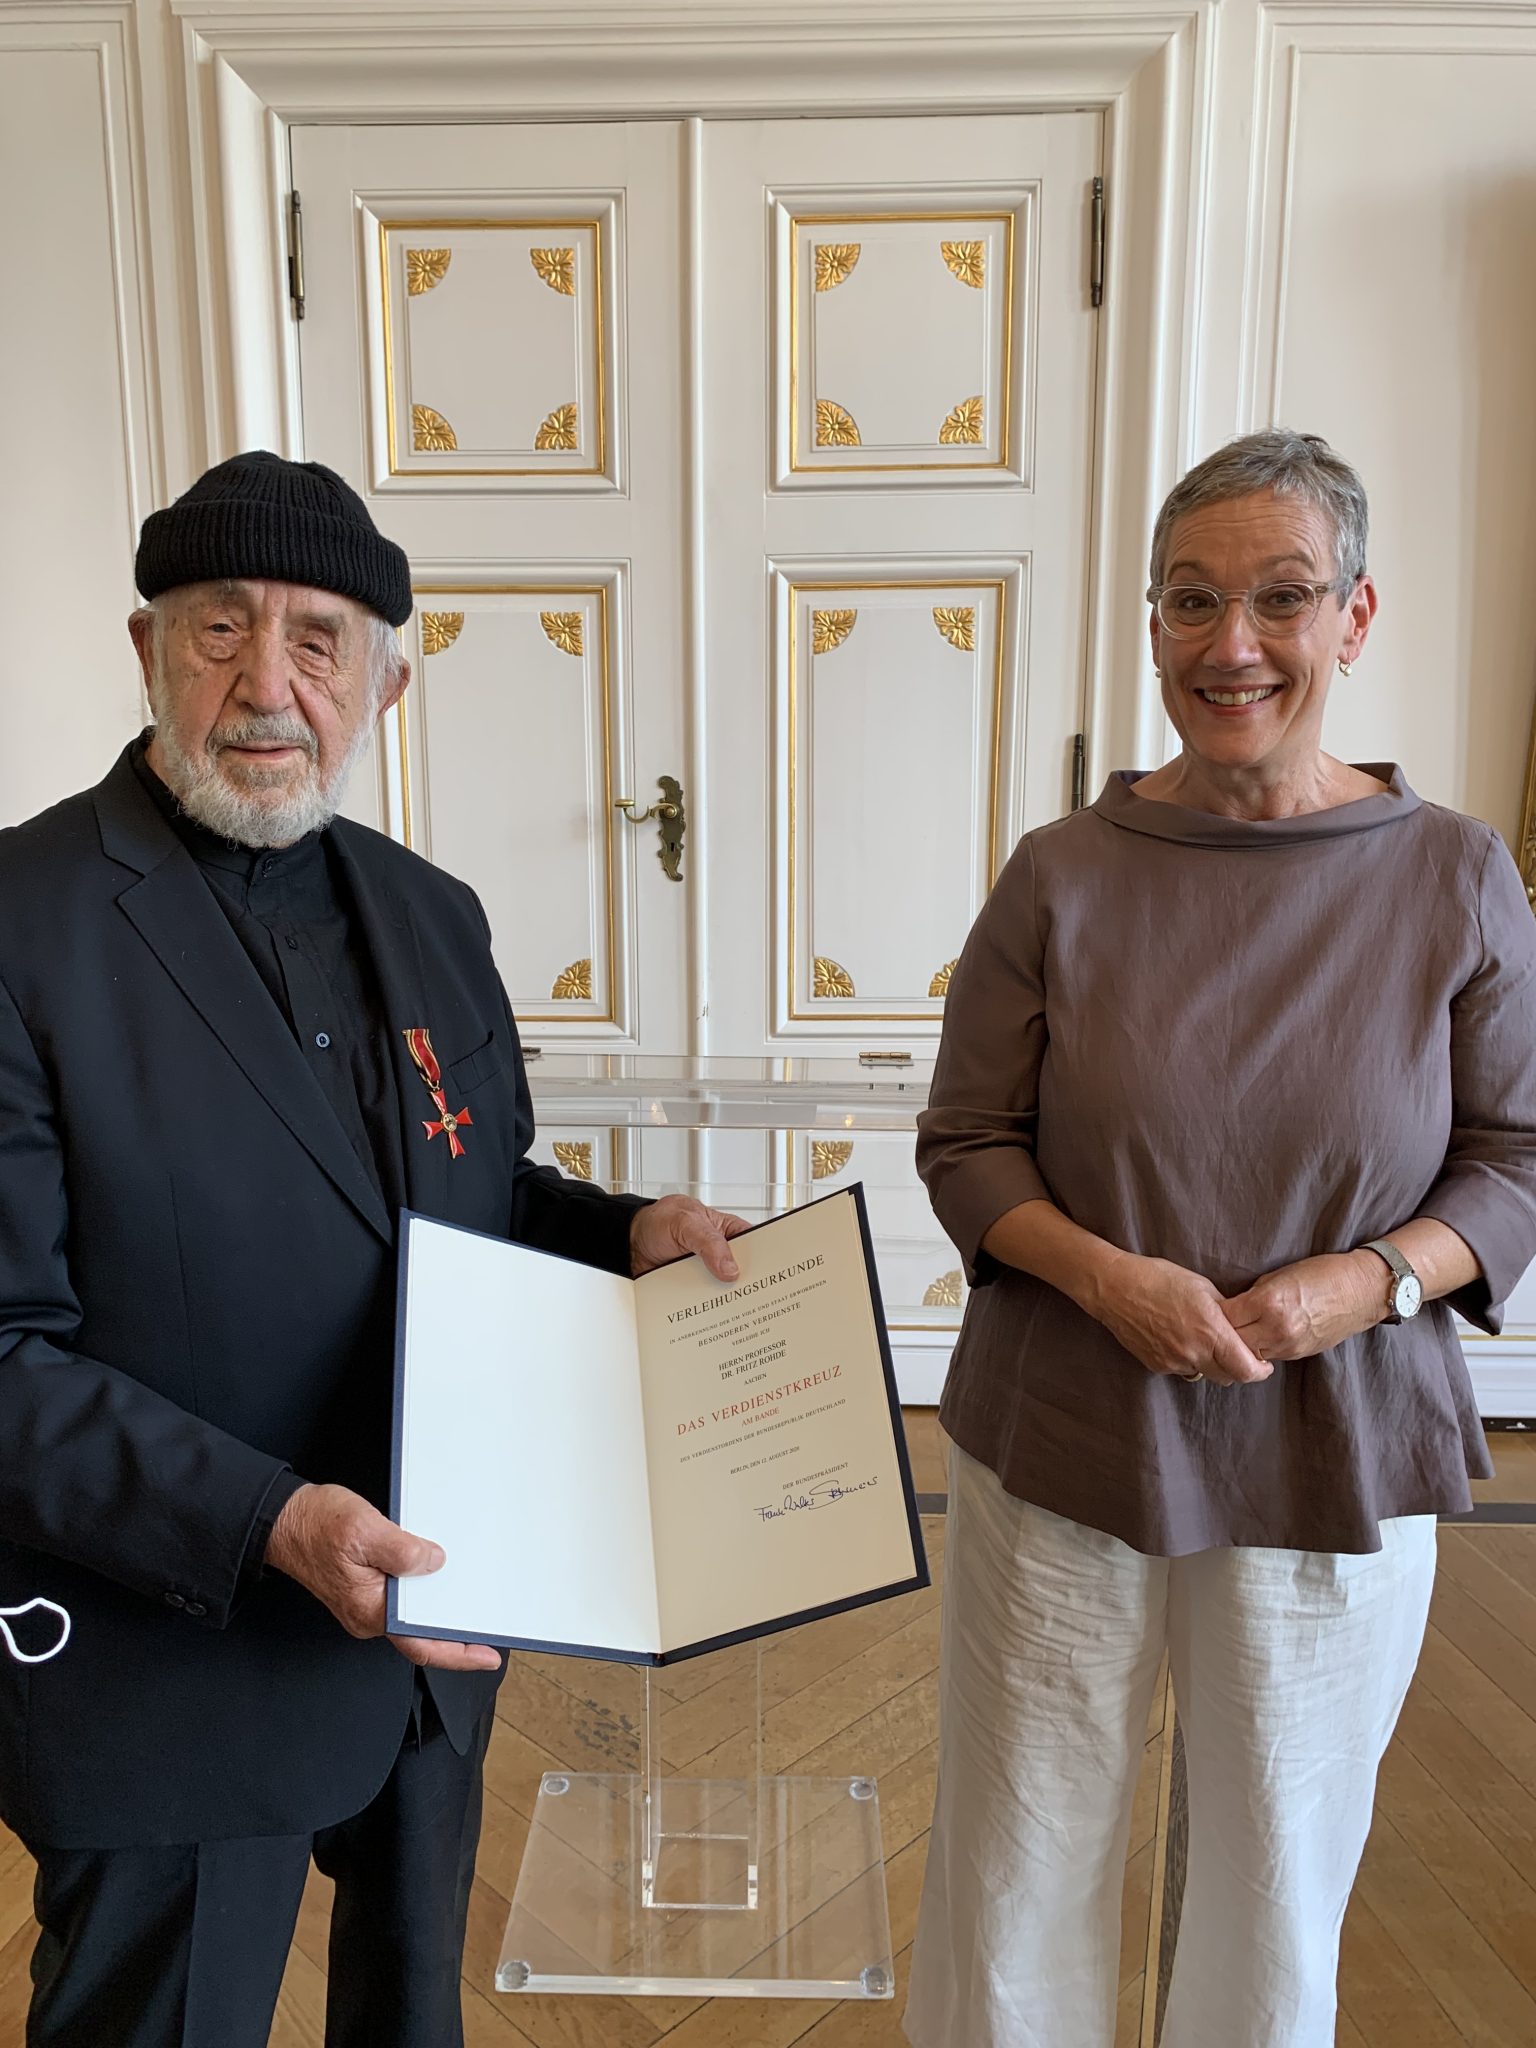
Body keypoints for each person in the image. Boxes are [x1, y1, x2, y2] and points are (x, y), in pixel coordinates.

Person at [0, 451, 746, 2048]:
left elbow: (474, 1193)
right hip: (172, 1658)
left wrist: (631, 1238)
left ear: (387, 682)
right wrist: (273, 1522)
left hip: (430, 1643)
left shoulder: (435, 912)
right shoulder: (20, 924)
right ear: (145, 651)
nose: (269, 685)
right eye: (221, 629)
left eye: (320, 639)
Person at [904, 429, 1536, 2048]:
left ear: (1357, 615)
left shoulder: (1460, 879)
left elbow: (1517, 1162)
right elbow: (967, 1143)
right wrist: (1106, 1277)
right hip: (1064, 1423)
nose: (1230, 645)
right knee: (1016, 1865)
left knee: (1276, 1879)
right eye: (1191, 603)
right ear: (1153, 625)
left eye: (1278, 598)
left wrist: (1372, 1281)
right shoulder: (1062, 874)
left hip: (1339, 1438)